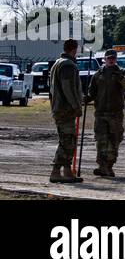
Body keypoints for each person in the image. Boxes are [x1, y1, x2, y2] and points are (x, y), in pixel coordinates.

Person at [87, 48, 125, 178]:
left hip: (115, 114)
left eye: (113, 58)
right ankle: (101, 166)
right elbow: (92, 92)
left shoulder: (122, 72)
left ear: (116, 59)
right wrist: (87, 98)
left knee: (114, 140)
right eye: (109, 58)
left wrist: (119, 76)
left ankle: (109, 166)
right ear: (104, 59)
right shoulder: (98, 74)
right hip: (100, 113)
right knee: (101, 140)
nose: (111, 60)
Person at [48, 38, 84, 184]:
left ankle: (67, 171)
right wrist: (76, 106)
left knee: (69, 140)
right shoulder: (68, 65)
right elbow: (67, 88)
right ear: (74, 49)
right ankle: (56, 171)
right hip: (65, 109)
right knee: (67, 141)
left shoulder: (58, 63)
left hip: (59, 107)